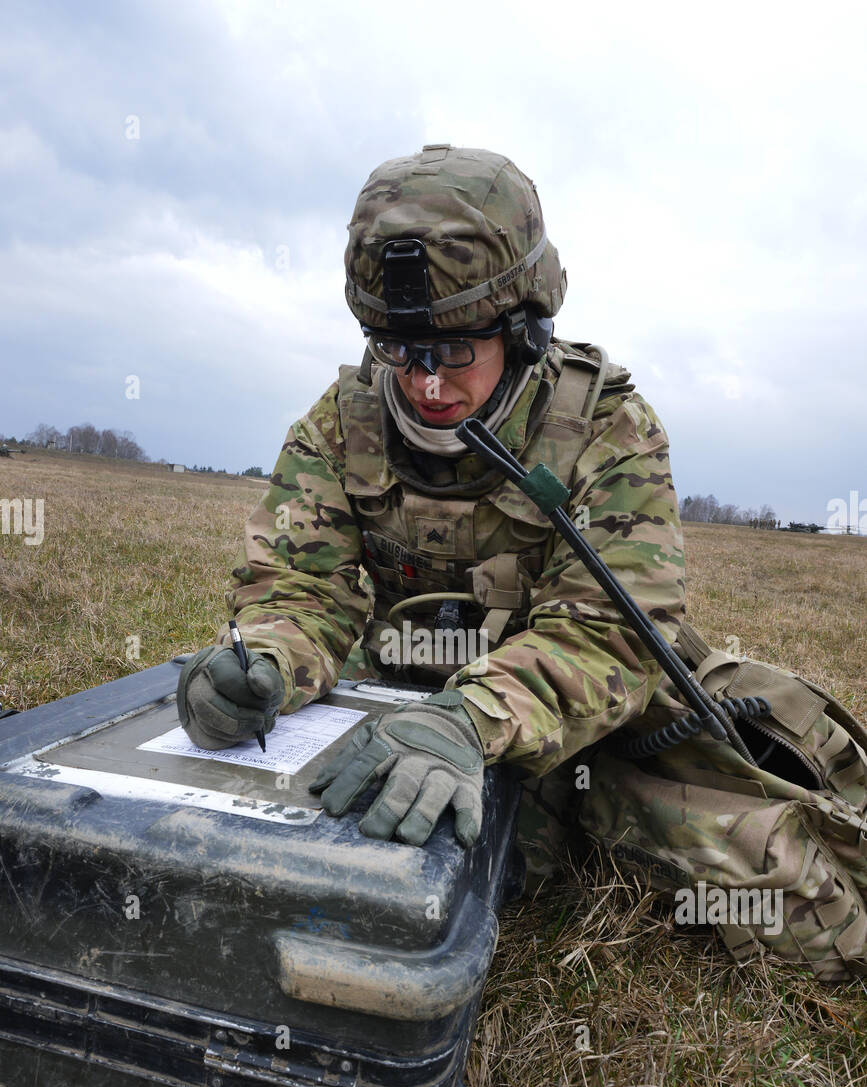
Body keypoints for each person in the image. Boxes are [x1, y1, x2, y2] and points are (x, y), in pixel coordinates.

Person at [177, 144, 686, 889]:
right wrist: (266, 664)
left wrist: (471, 719)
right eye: (397, 349)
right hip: (401, 686)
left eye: (452, 350)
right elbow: (298, 585)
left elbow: (613, 634)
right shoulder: (340, 421)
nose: (424, 383)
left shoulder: (607, 428)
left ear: (522, 331)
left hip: (548, 717)